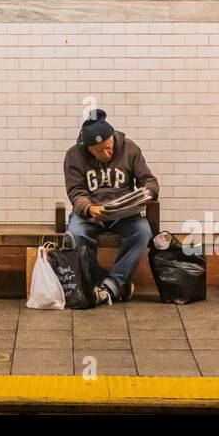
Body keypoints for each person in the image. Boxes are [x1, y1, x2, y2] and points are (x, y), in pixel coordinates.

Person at [63, 108, 158, 305]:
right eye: (99, 151)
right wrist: (89, 208)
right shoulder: (73, 156)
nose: (106, 153)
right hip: (91, 212)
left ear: (113, 138)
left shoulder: (130, 149)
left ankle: (109, 286)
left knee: (142, 231)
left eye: (108, 146)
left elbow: (148, 180)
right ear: (88, 148)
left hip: (123, 213)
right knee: (76, 234)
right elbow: (76, 192)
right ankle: (114, 285)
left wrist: (147, 193)